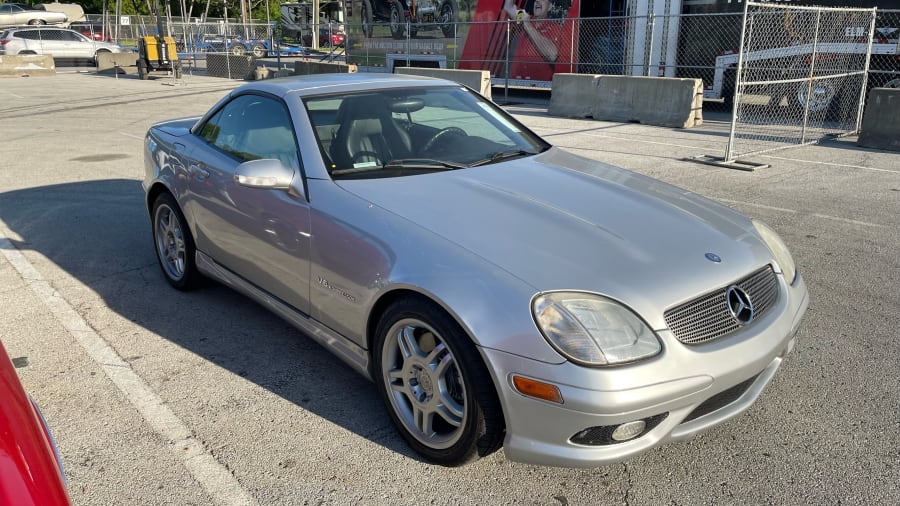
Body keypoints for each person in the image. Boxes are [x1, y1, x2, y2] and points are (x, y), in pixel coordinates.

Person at [501, 0, 573, 81]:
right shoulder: (524, 17)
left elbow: (552, 55)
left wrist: (528, 26)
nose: (537, 1)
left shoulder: (555, 27)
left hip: (540, 86)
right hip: (517, 82)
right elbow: (508, 7)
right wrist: (525, 21)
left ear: (550, 7)